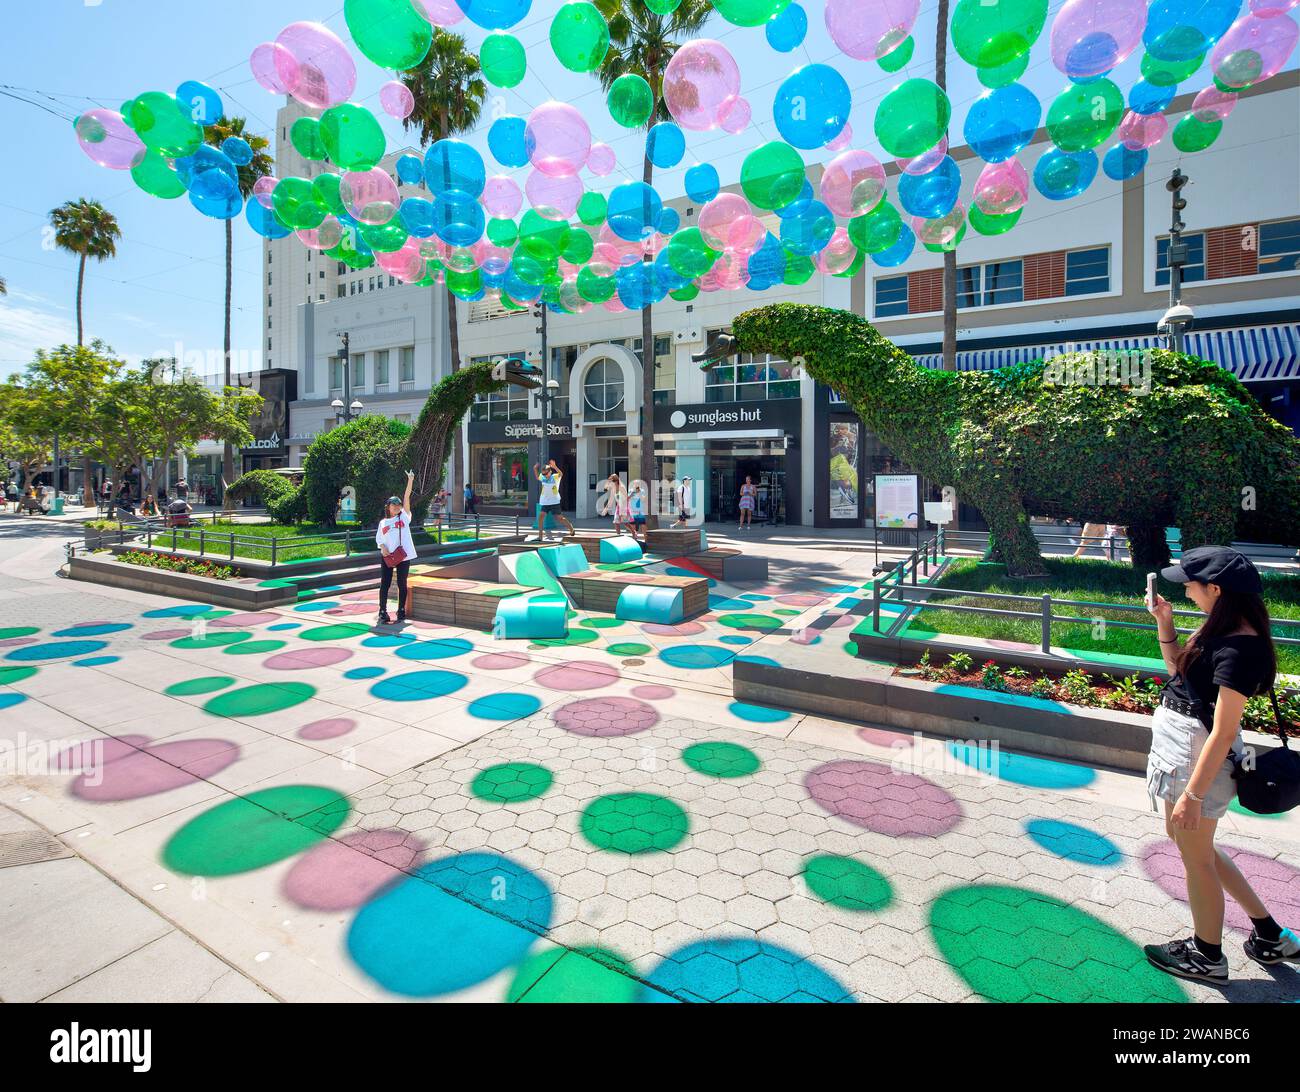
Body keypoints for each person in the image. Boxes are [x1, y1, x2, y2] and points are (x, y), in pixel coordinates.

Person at [1142, 546, 1298, 983]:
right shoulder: (1220, 628)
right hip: (1184, 746)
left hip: (1194, 756)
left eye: (1190, 584)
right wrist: (1166, 625)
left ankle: (1208, 955)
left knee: (1197, 859)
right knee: (1200, 849)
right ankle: (1270, 934)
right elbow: (1182, 678)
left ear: (1215, 588)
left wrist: (1192, 795)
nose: (1187, 591)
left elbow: (1224, 731)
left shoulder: (1240, 648)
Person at [376, 470, 416, 626]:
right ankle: (382, 611)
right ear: (388, 507)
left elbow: (407, 497)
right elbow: (379, 539)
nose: (397, 506)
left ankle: (400, 610)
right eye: (394, 504)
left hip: (403, 556)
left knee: (402, 583)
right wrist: (383, 546)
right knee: (384, 583)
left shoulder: (404, 517)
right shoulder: (383, 523)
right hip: (387, 556)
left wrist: (410, 480)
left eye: (398, 504)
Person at [535, 459, 574, 542]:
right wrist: (535, 469)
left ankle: (571, 528)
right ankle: (540, 536)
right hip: (545, 502)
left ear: (550, 472)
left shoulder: (555, 477)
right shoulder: (542, 476)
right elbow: (537, 477)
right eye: (543, 474)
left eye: (546, 473)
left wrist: (555, 466)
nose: (544, 475)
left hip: (554, 502)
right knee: (541, 517)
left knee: (559, 518)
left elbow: (561, 474)